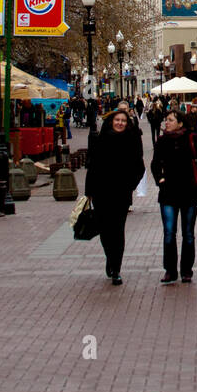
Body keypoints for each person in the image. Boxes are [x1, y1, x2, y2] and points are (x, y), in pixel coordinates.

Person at [84, 109, 145, 286]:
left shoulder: (132, 140)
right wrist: (89, 192)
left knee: (118, 230)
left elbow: (139, 167)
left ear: (127, 123)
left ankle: (116, 268)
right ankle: (110, 258)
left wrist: (130, 185)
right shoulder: (100, 139)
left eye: (123, 121)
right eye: (117, 120)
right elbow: (92, 167)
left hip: (121, 193)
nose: (120, 123)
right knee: (104, 229)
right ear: (111, 121)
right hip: (101, 192)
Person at [150, 110, 197, 284]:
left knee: (188, 234)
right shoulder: (162, 141)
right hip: (168, 192)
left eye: (170, 120)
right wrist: (159, 179)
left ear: (180, 123)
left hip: (189, 192)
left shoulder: (192, 138)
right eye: (166, 119)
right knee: (169, 233)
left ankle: (186, 270)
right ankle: (170, 270)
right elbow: (155, 164)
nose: (166, 122)